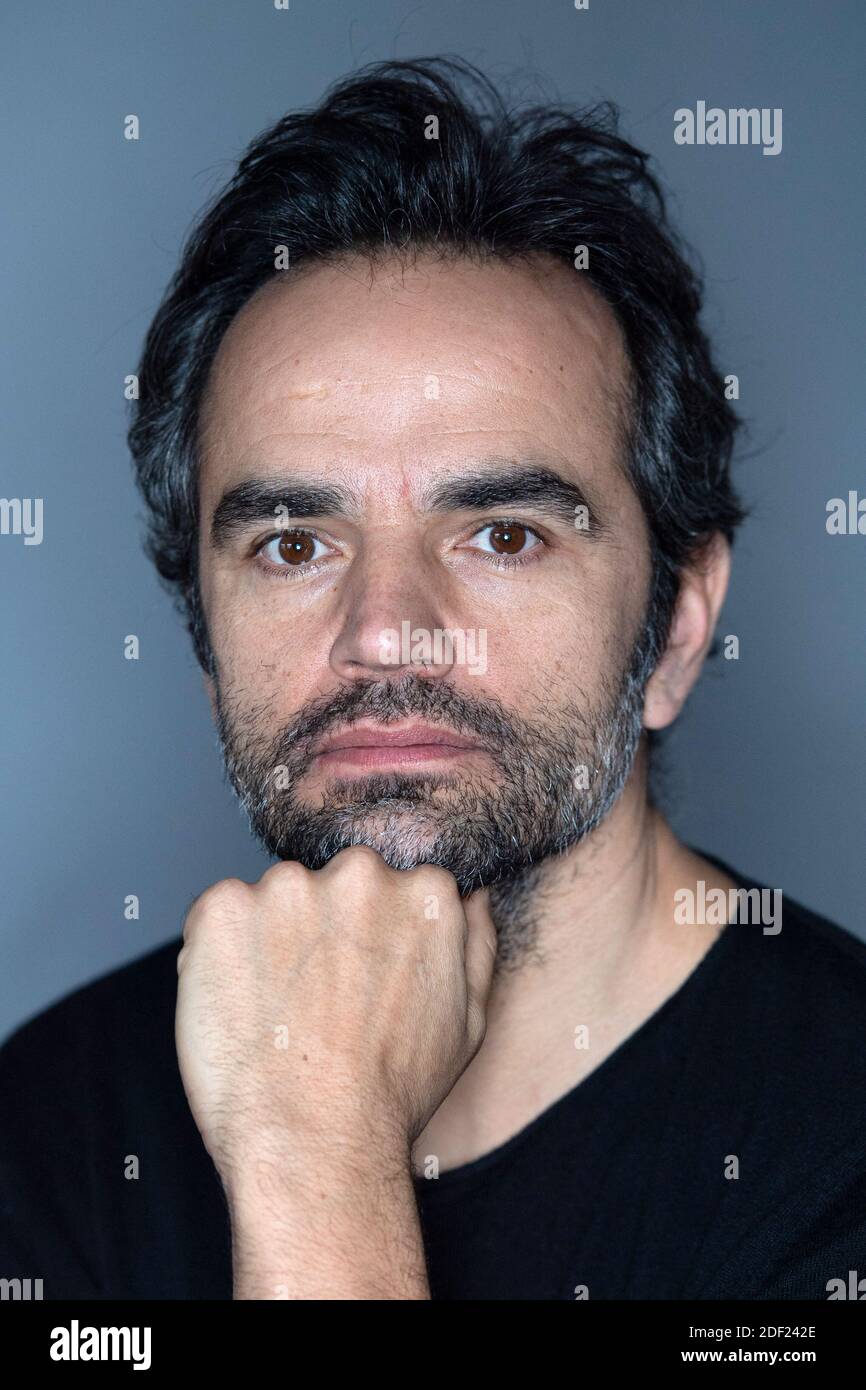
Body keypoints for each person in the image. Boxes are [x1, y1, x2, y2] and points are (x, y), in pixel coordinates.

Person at [2, 58, 865, 1302]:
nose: (387, 632)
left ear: (676, 625)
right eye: (294, 545)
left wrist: (318, 1159)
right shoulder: (54, 1129)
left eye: (504, 534)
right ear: (201, 639)